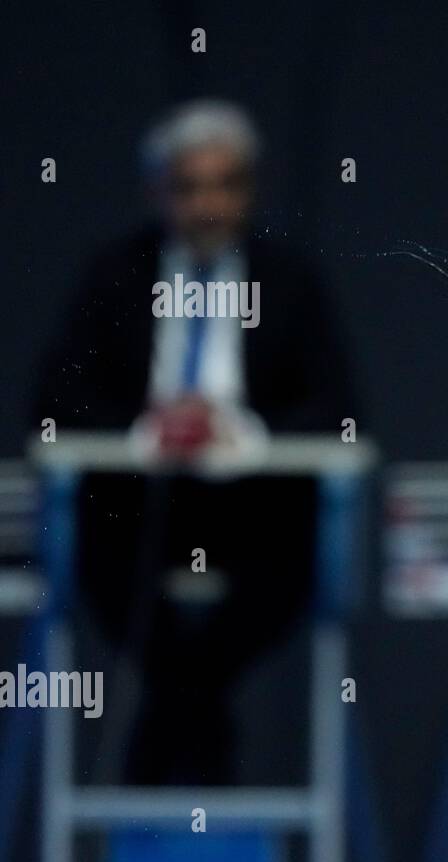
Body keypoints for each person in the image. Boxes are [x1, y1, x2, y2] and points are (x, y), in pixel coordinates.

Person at [33, 99, 356, 784]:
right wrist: (145, 428)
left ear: (251, 188)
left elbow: (341, 406)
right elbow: (52, 400)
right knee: (104, 544)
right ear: (158, 191)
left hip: (256, 513)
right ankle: (202, 765)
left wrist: (243, 431)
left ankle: (163, 753)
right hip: (135, 505)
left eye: (225, 184)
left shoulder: (290, 280)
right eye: (189, 186)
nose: (208, 204)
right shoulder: (115, 272)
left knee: (282, 566)